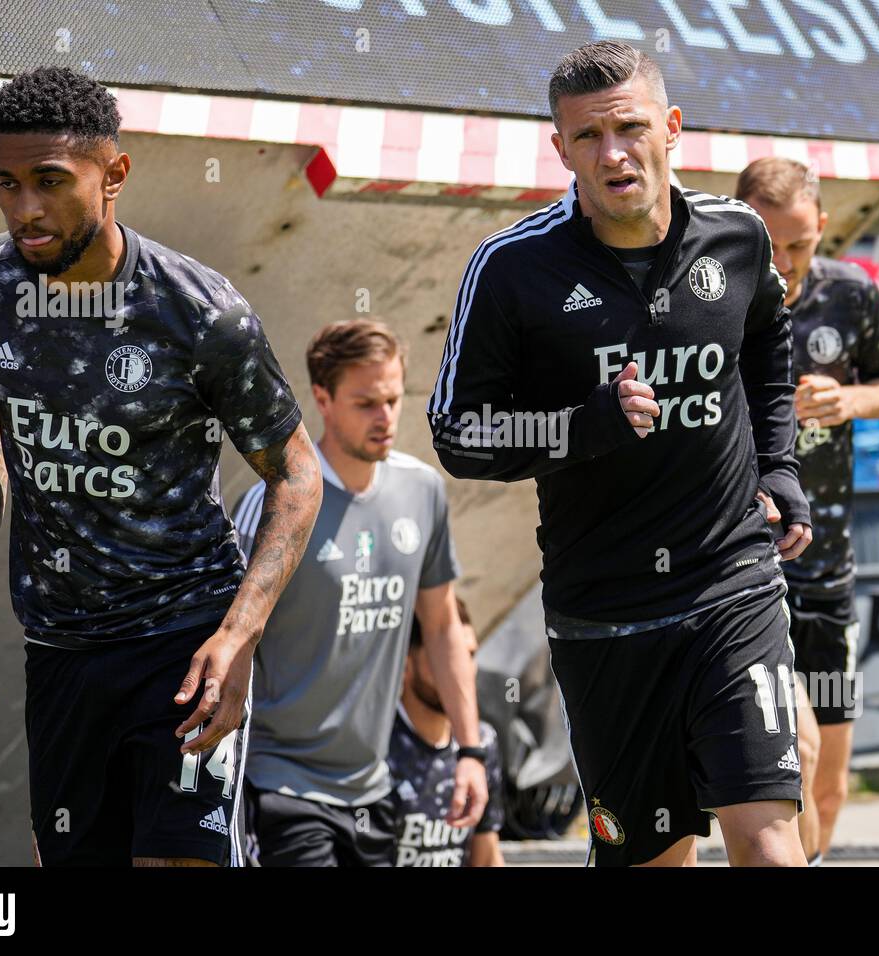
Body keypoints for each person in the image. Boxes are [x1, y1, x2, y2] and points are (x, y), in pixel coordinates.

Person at [428, 41, 812, 867]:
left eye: (631, 129)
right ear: (559, 148)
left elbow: (767, 347)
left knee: (770, 840)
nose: (614, 154)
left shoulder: (740, 239)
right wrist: (580, 426)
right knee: (653, 858)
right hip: (605, 617)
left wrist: (779, 465)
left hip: (731, 587)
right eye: (588, 138)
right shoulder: (511, 270)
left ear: (671, 128)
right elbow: (459, 432)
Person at [0, 67, 322, 866]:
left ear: (115, 174)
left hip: (185, 640)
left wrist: (240, 633)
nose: (24, 211)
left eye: (49, 182)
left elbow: (295, 473)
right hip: (62, 653)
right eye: (5, 184)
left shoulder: (200, 313)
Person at [232, 319, 486, 866]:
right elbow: (230, 643)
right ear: (321, 399)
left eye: (393, 399)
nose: (386, 418)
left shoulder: (423, 491)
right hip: (281, 783)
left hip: (374, 787)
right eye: (366, 403)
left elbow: (441, 627)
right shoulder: (273, 508)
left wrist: (470, 751)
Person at [735, 157, 879, 866]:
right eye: (769, 245)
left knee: (832, 788)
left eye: (799, 245)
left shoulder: (852, 294)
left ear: (824, 227)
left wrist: (853, 400)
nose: (783, 262)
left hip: (831, 577)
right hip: (752, 575)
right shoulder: (717, 296)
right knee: (798, 759)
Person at [389, 604, 505, 867]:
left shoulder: (482, 742)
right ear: (405, 663)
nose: (464, 671)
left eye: (471, 655)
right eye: (449, 658)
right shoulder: (374, 749)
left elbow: (487, 857)